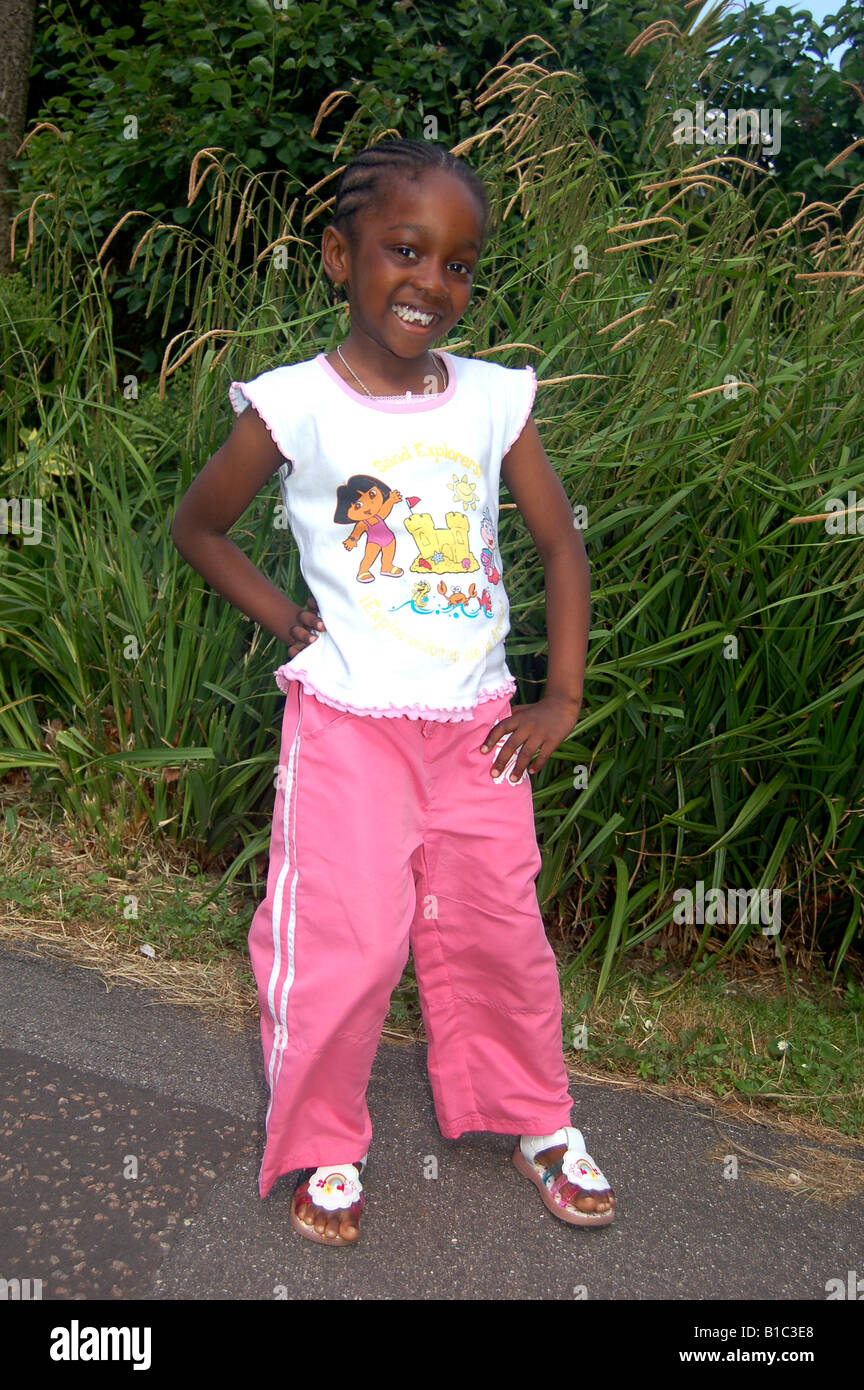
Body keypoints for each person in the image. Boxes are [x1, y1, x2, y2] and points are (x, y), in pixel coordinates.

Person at [171, 137, 615, 1247]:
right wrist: (286, 618)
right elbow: (199, 526)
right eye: (405, 250)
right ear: (339, 255)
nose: (431, 282)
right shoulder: (293, 406)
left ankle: (536, 1117)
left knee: (500, 928)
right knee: (351, 937)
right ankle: (325, 1134)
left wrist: (557, 696)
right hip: (349, 726)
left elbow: (561, 546)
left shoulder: (493, 400)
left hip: (475, 727)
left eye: (459, 264)